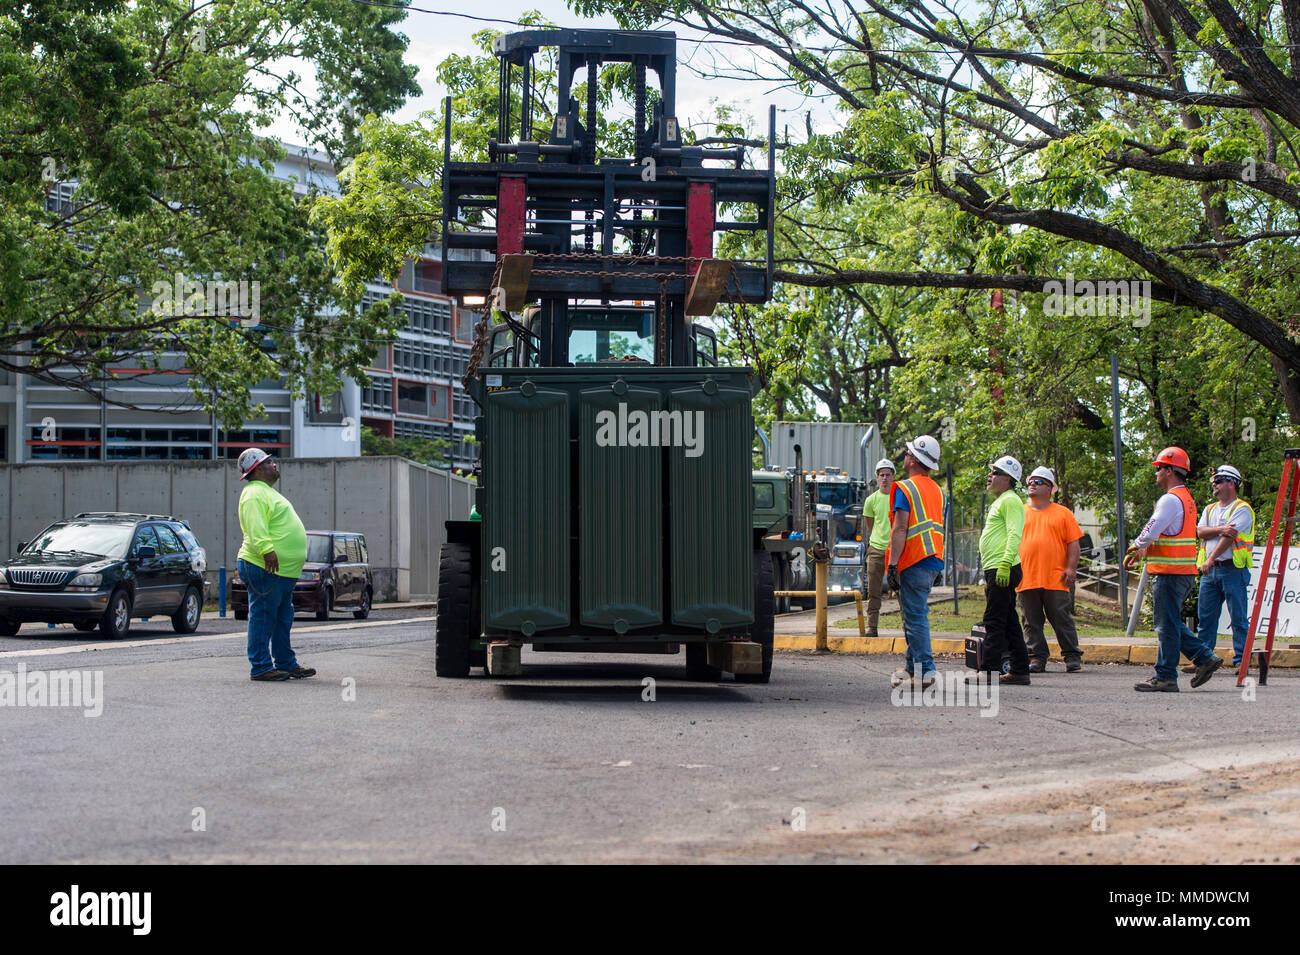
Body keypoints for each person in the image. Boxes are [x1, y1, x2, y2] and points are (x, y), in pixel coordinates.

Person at [1128, 446, 1221, 692]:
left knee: (1166, 625)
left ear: (1169, 470)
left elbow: (1153, 527)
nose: (1156, 473)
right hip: (1181, 572)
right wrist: (1143, 550)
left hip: (1170, 573)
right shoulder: (1186, 499)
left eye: (1159, 468)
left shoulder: (1170, 499)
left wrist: (1137, 545)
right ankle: (1203, 658)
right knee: (1170, 622)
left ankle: (1167, 675)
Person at [236, 448, 315, 682]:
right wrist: (267, 551)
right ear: (258, 469)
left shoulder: (267, 492)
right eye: (270, 462)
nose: (274, 465)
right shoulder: (254, 494)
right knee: (262, 616)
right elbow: (255, 526)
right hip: (264, 566)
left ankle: (285, 663)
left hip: (282, 571)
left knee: (282, 618)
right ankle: (260, 666)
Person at [885, 435, 946, 689]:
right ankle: (912, 669)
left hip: (913, 560)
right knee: (914, 615)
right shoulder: (937, 491)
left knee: (915, 618)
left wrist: (893, 564)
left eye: (907, 453)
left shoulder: (904, 488)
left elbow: (900, 529)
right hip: (932, 561)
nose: (905, 456)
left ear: (913, 460)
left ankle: (926, 670)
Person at [1185, 465, 1254, 674]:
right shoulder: (1210, 509)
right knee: (1206, 618)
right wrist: (1220, 529)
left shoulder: (1242, 508)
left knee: (1238, 618)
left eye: (1218, 480)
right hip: (1211, 572)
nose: (1214, 484)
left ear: (1231, 483)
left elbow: (1229, 537)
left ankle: (1242, 661)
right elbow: (1200, 532)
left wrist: (1210, 557)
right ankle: (1203, 659)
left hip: (1232, 569)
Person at [1017, 466, 1085, 673]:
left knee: (1061, 617)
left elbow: (1073, 543)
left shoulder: (1063, 513)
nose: (1032, 485)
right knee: (1030, 620)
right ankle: (1037, 658)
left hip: (1055, 576)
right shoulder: (1019, 511)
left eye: (1038, 482)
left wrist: (1071, 569)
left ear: (1049, 488)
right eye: (1030, 482)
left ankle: (1072, 656)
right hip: (1026, 576)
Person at [977, 455, 1031, 684]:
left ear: (1008, 479)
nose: (991, 476)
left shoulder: (1011, 500)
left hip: (1002, 566)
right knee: (1008, 620)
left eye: (996, 472)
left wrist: (1005, 563)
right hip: (996, 566)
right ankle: (1019, 670)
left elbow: (1014, 533)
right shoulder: (1001, 500)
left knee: (994, 619)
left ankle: (988, 671)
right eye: (991, 471)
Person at [860, 457, 895, 638]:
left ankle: (908, 627)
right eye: (881, 475)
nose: (885, 478)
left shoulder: (900, 498)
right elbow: (870, 523)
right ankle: (872, 627)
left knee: (902, 590)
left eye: (888, 474)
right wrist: (878, 539)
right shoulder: (871, 500)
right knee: (873, 590)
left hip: (896, 549)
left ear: (893, 476)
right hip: (876, 549)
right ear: (877, 476)